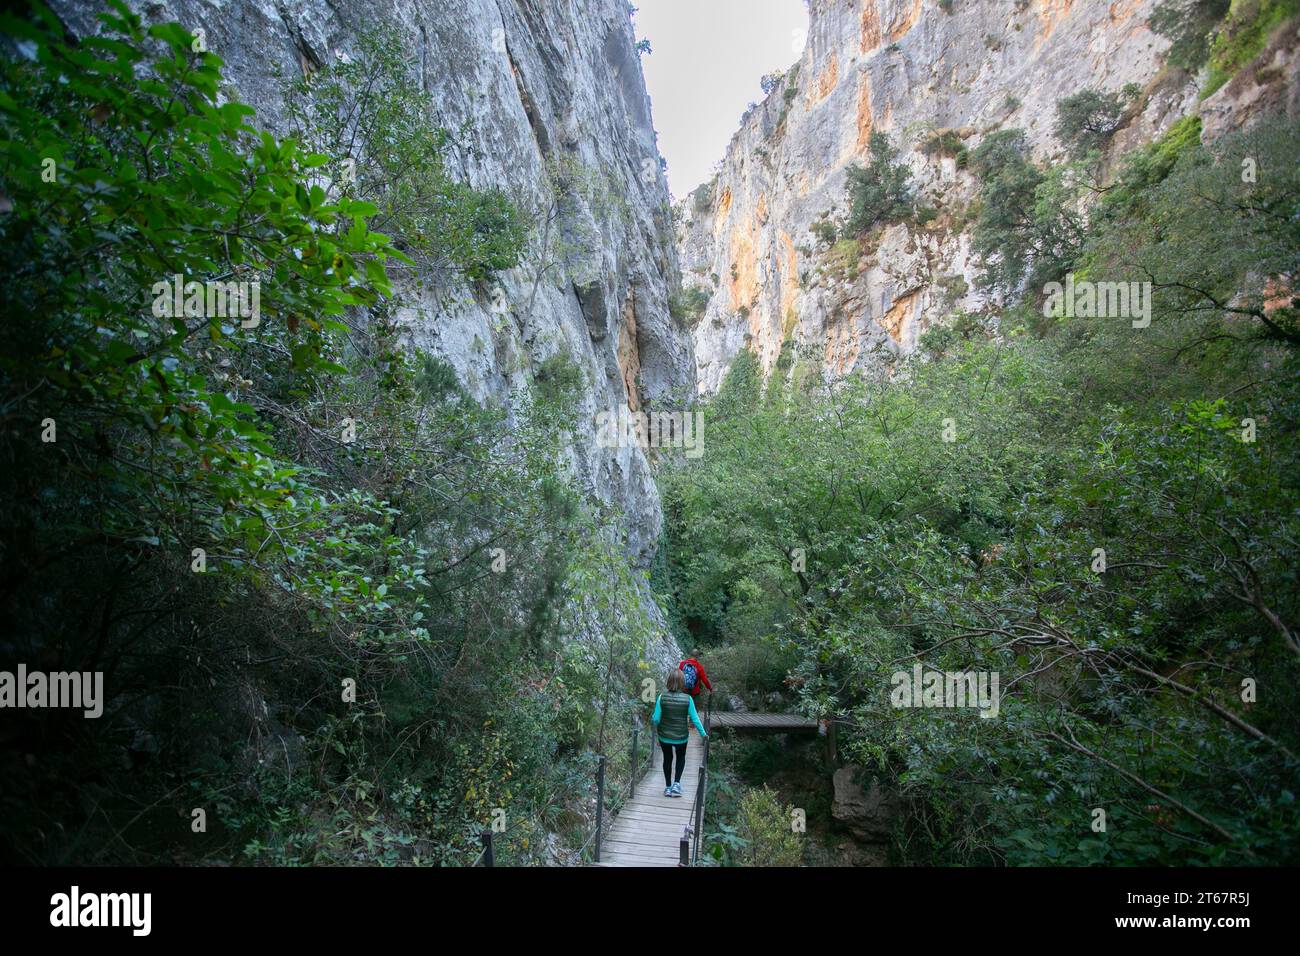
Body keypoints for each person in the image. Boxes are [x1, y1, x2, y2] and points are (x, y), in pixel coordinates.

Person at [652, 669, 708, 798]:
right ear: (682, 682)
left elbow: (655, 719)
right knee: (680, 758)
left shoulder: (661, 697)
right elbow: (695, 719)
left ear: (669, 681)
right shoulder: (688, 699)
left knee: (667, 758)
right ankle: (676, 784)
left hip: (664, 736)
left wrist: (656, 727)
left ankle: (667, 787)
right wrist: (704, 734)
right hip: (681, 736)